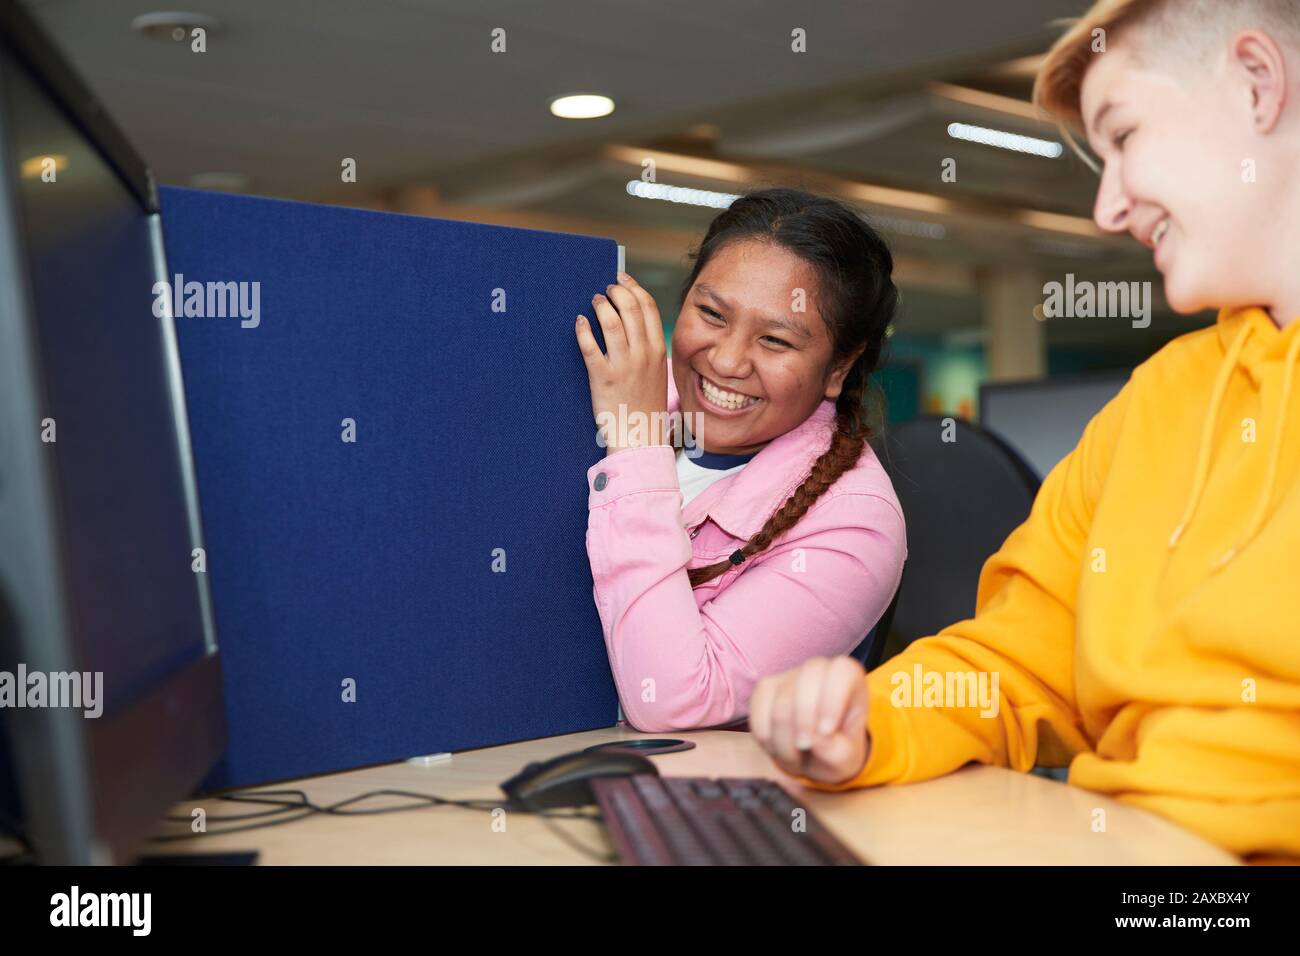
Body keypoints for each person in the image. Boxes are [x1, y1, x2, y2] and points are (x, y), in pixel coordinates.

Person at [749, 0, 1300, 858]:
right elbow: (1017, 663)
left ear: (1258, 83)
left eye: (1123, 137)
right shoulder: (1157, 404)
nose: (1108, 208)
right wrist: (869, 722)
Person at [573, 188, 906, 732]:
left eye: (775, 340)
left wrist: (636, 446)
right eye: (710, 313)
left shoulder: (855, 523)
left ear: (840, 367)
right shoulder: (621, 398)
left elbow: (674, 701)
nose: (727, 360)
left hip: (702, 798)